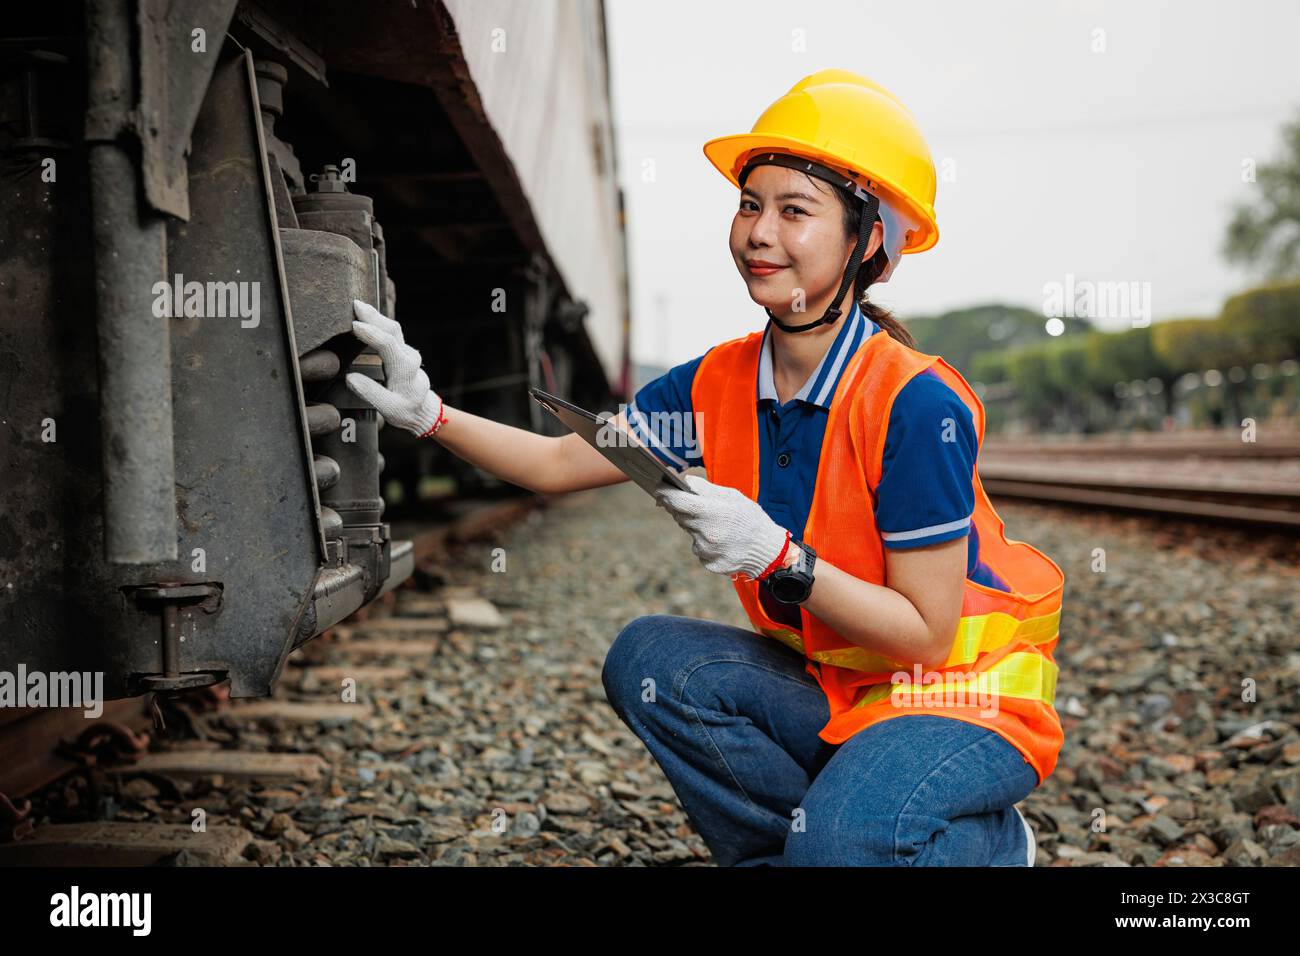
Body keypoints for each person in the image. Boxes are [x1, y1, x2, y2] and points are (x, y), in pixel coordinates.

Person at [346, 69, 1065, 867]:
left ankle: (989, 849)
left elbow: (928, 638)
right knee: (653, 662)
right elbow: (557, 462)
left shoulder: (916, 404)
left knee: (842, 844)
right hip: (842, 686)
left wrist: (779, 559)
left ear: (870, 246)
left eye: (795, 210)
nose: (759, 232)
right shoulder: (714, 385)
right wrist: (429, 413)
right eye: (751, 204)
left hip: (961, 696)